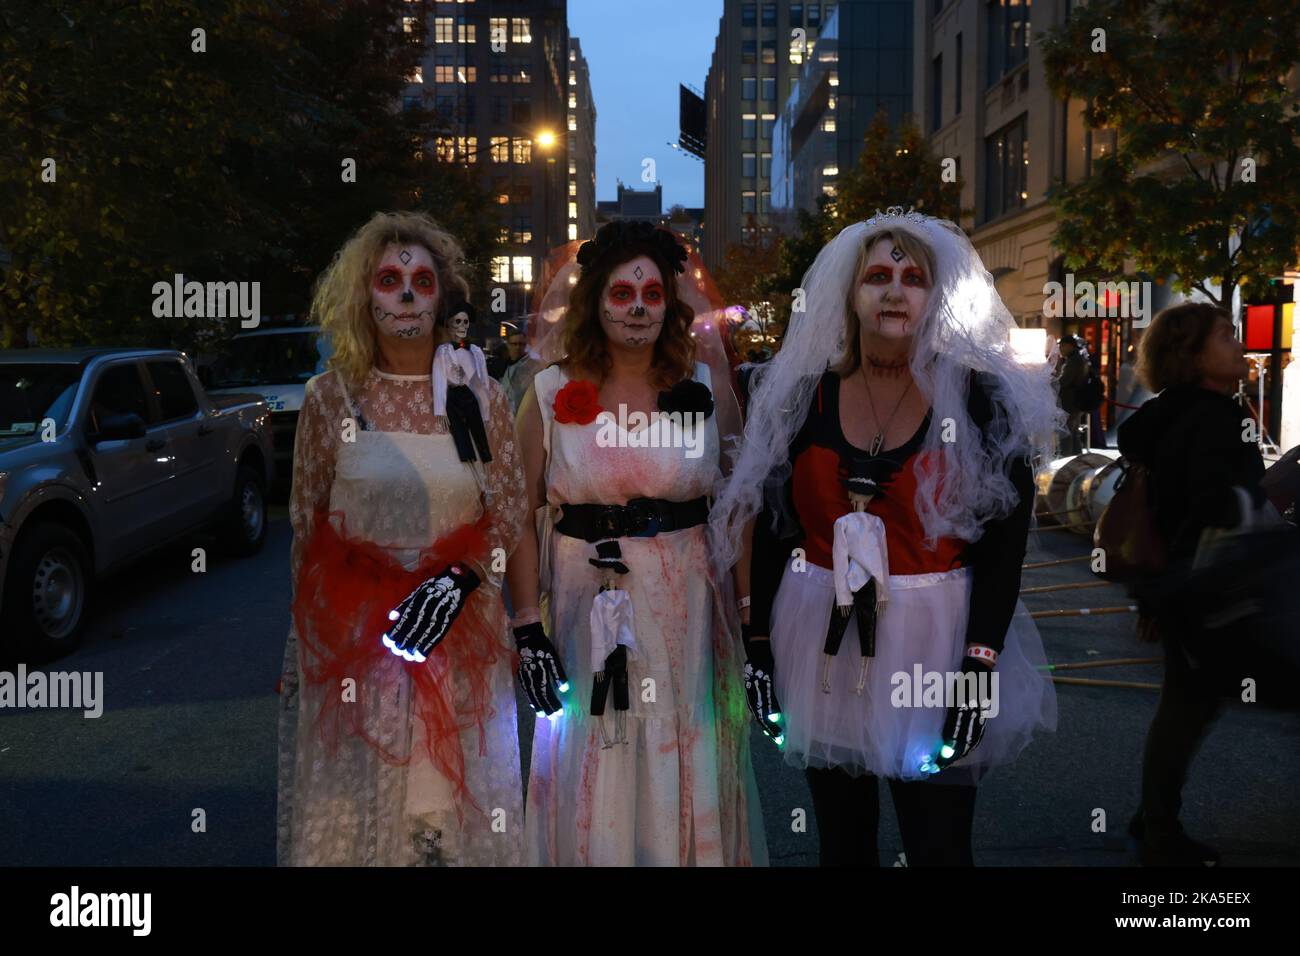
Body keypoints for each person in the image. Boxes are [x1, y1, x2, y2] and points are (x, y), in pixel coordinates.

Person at [710, 209, 1061, 867]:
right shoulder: (801, 398)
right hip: (818, 636)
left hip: (939, 639)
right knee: (843, 845)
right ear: (849, 292)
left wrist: (978, 666)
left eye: (913, 278)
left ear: (935, 295)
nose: (895, 291)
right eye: (877, 276)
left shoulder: (980, 401)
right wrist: (757, 645)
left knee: (940, 846)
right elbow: (767, 519)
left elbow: (1003, 546)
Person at [506, 220, 766, 866]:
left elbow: (736, 509)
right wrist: (526, 628)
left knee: (674, 751)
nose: (639, 308)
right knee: (591, 755)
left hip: (682, 612)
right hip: (579, 611)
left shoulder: (703, 390)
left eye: (652, 294)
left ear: (670, 305)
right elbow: (514, 513)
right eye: (622, 293)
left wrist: (752, 626)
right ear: (595, 300)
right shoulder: (546, 393)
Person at [277, 211, 527, 866]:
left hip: (460, 635)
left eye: (421, 279)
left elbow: (509, 511)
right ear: (365, 295)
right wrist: (311, 642)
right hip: (360, 646)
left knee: (446, 822)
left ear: (444, 295)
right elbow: (306, 525)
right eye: (390, 279)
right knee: (364, 806)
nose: (409, 293)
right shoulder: (329, 399)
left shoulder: (482, 396)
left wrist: (460, 577)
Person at [1118, 302, 1269, 866]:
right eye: (1226, 336)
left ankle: (1153, 818)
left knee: (1190, 702)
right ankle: (1158, 830)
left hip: (1180, 585)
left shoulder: (1172, 414)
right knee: (1188, 704)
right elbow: (1205, 509)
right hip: (1204, 588)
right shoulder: (1212, 419)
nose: (1238, 345)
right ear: (1192, 354)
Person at [1056, 334, 1090, 454]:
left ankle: (1067, 460)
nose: (1060, 349)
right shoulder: (1077, 358)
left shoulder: (1074, 360)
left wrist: (1053, 380)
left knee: (1067, 433)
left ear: (1070, 346)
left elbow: (1064, 381)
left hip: (1071, 402)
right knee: (1073, 433)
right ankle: (1077, 459)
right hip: (1075, 401)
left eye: (1062, 346)